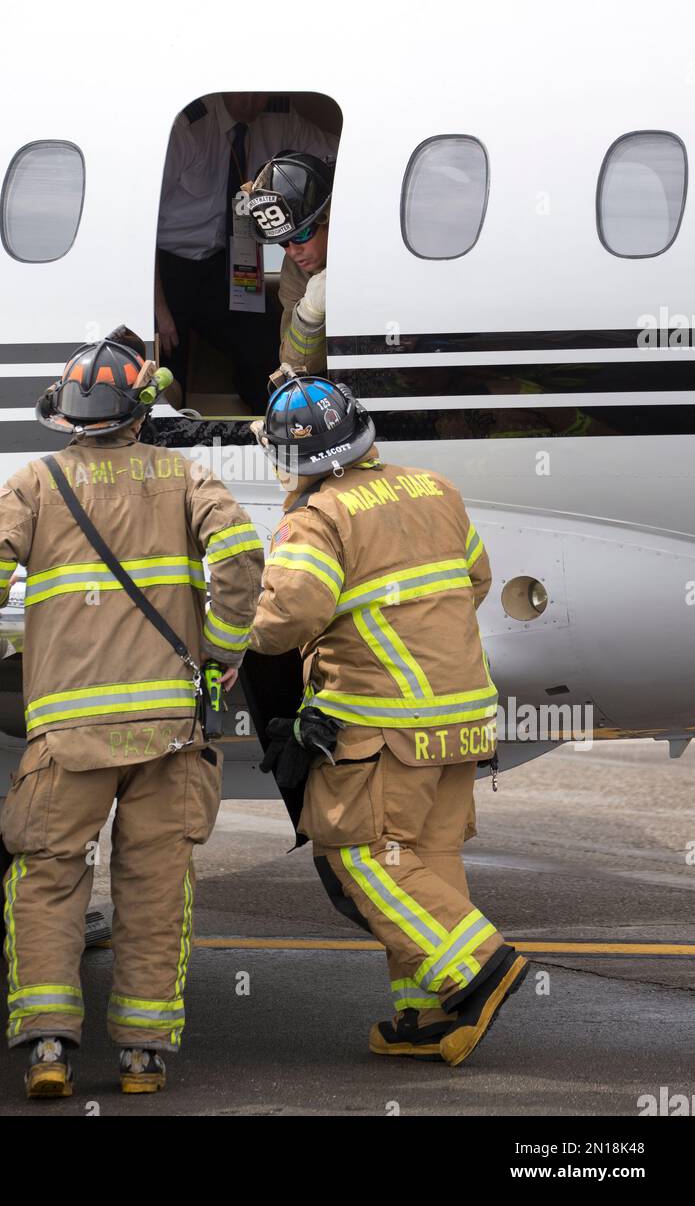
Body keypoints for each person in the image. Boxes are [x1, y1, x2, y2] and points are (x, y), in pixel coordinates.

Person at [0, 332, 263, 1097]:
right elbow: (242, 557)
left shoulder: (34, 482)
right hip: (168, 729)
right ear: (140, 410)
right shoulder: (186, 477)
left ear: (66, 414)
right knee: (155, 885)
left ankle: (50, 1048)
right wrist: (220, 655)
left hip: (68, 737)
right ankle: (142, 1056)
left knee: (50, 880)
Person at [248, 375, 527, 1066]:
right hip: (458, 717)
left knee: (359, 855)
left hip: (383, 725)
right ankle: (428, 1015)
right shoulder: (433, 488)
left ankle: (477, 968)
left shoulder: (315, 518)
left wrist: (234, 638)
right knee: (426, 860)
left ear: (286, 459)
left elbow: (288, 618)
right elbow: (475, 579)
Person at [156, 93, 338, 411]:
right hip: (168, 265)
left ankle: (273, 421)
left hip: (228, 263)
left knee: (259, 346)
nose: (253, 102)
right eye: (283, 243)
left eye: (260, 93)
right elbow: (138, 221)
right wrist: (159, 310)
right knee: (168, 361)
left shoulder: (283, 119)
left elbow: (351, 157)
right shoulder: (189, 128)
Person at [247, 151, 333, 376]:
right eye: (283, 242)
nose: (294, 252)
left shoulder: (371, 250)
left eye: (302, 234)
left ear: (328, 218)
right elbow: (294, 367)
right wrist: (309, 315)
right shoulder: (295, 271)